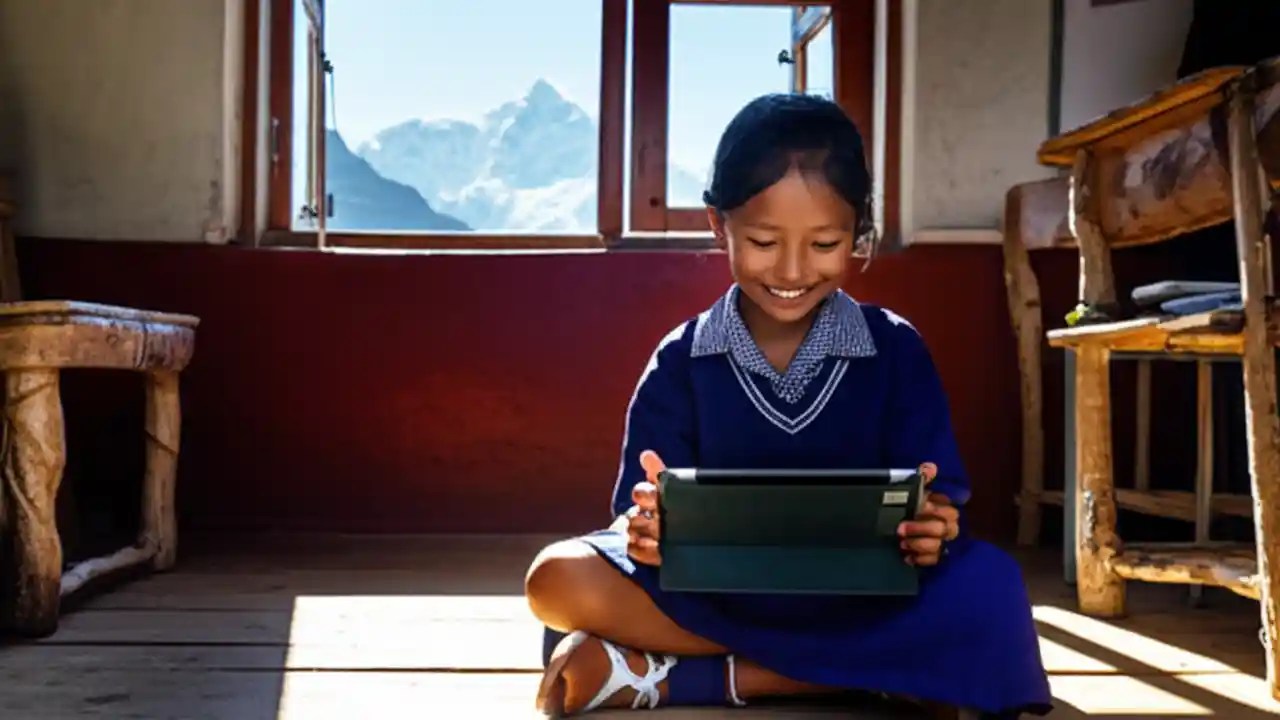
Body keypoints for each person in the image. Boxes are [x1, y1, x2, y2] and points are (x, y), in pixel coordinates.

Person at [523, 92, 1053, 718]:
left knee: (989, 588)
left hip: (861, 592)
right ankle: (863, 673)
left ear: (859, 229)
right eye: (765, 241)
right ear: (719, 225)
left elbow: (936, 502)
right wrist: (647, 533)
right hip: (717, 596)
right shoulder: (680, 360)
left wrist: (934, 529)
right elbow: (632, 522)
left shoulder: (895, 350)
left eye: (826, 243)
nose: (794, 269)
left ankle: (680, 675)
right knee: (557, 578)